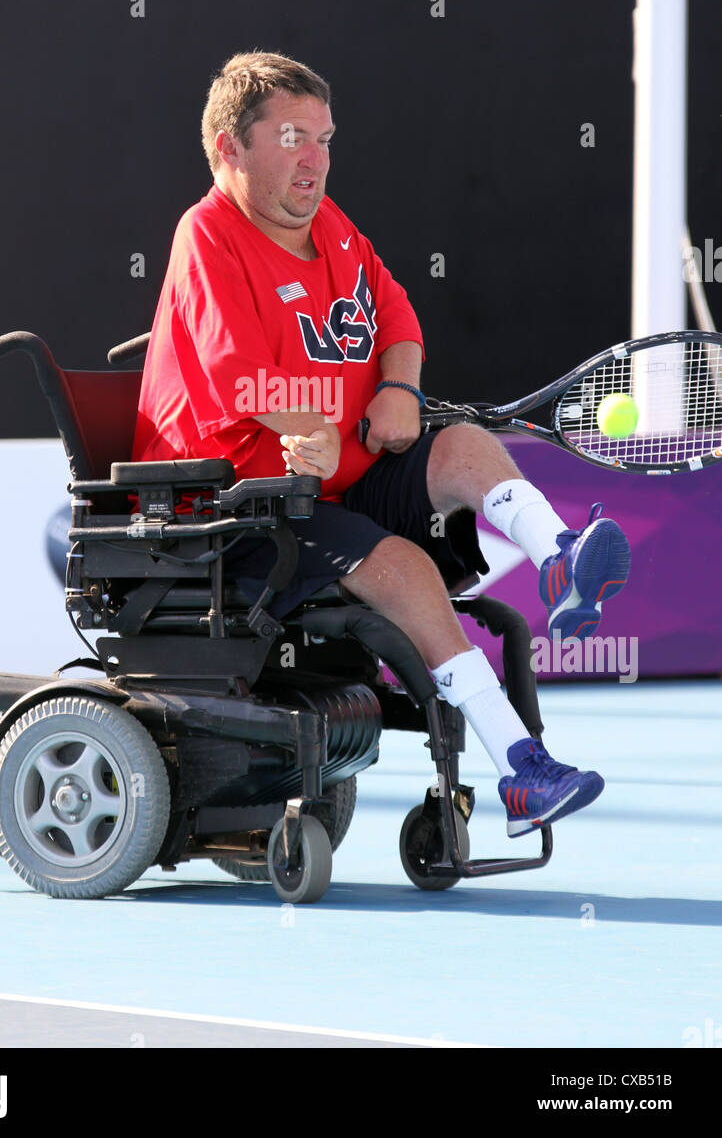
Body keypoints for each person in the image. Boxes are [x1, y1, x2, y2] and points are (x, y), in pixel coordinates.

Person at [133, 51, 631, 838]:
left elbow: (397, 321)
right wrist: (310, 430)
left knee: (461, 445)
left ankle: (561, 556)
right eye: (293, 137)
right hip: (234, 509)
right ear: (230, 148)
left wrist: (398, 390)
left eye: (325, 139)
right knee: (404, 566)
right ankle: (521, 768)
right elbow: (236, 378)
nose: (316, 159)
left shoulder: (330, 227)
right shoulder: (208, 235)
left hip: (333, 487)